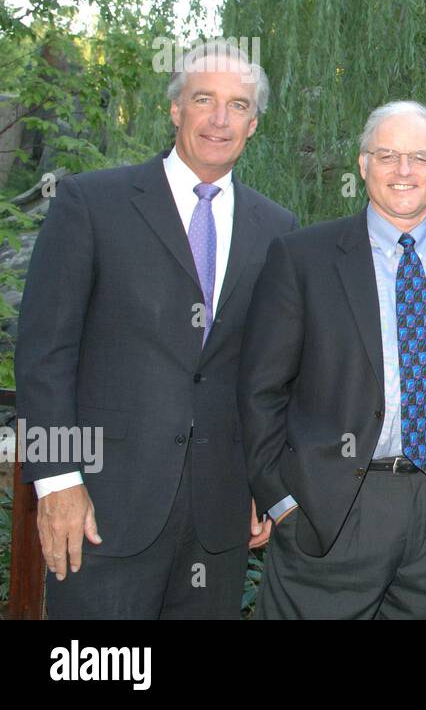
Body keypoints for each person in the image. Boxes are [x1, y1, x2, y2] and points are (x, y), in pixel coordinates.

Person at [16, 40, 296, 618]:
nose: (220, 119)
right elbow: (45, 356)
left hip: (218, 515)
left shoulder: (276, 229)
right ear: (175, 109)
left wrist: (259, 481)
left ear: (254, 123)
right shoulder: (91, 204)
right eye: (204, 99)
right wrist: (55, 481)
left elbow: (264, 374)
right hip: (99, 507)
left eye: (238, 106)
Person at [238, 100, 426, 619]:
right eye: (387, 155)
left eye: (420, 157)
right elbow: (260, 391)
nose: (403, 171)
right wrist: (281, 500)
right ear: (363, 165)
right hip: (331, 509)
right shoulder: (302, 259)